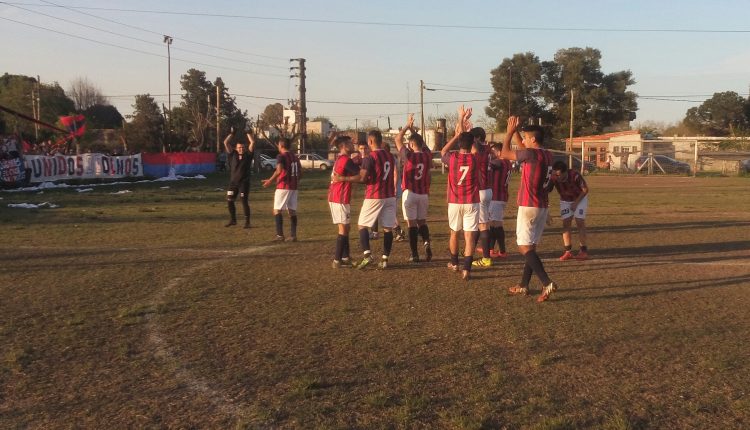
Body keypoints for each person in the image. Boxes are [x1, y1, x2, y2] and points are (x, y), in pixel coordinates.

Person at [500, 116, 559, 302]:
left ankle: (546, 282)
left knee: (523, 247)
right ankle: (524, 285)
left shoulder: (531, 155)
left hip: (529, 205)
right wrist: (517, 130)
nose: (523, 140)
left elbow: (504, 153)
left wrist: (509, 133)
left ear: (533, 139)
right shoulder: (547, 154)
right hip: (541, 206)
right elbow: (525, 150)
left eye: (525, 137)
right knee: (531, 248)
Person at [334, 129, 397, 269]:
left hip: (375, 194)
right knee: (387, 228)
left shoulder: (370, 157)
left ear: (371, 141)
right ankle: (385, 259)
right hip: (390, 196)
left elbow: (362, 178)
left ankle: (367, 255)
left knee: (362, 225)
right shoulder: (390, 156)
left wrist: (342, 178)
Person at [441, 106, 479, 281]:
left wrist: (459, 126)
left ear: (458, 143)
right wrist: (465, 128)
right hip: (471, 201)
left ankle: (454, 263)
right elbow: (472, 147)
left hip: (455, 201)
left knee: (454, 233)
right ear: (472, 144)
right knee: (469, 236)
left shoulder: (453, 159)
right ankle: (466, 270)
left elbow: (443, 152)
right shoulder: (475, 159)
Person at [394, 114, 433, 263]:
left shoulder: (408, 155)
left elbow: (397, 139)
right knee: (422, 222)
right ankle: (427, 243)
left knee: (411, 224)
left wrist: (407, 127)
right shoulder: (427, 155)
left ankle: (414, 254)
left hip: (410, 193)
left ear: (410, 145)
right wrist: (415, 133)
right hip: (423, 194)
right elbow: (423, 145)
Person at [328, 135, 360, 268]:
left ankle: (345, 257)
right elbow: (360, 175)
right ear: (344, 146)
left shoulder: (342, 159)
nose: (352, 144)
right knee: (343, 228)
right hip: (339, 198)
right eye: (349, 143)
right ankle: (337, 260)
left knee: (346, 227)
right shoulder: (346, 160)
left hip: (339, 197)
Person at [548, 160, 589, 261]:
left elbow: (585, 190)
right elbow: (547, 190)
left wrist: (576, 203)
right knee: (566, 224)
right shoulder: (553, 178)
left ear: (565, 172)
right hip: (565, 201)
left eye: (558, 175)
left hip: (580, 199)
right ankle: (568, 251)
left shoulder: (575, 175)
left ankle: (583, 251)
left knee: (580, 222)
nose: (556, 177)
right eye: (555, 174)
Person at [262, 138, 302, 241]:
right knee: (292, 211)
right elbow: (301, 172)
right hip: (294, 187)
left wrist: (270, 180)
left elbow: (279, 170)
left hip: (283, 186)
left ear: (281, 145)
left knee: (277, 210)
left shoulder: (281, 156)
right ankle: (293, 235)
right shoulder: (295, 157)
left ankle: (280, 235)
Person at [470, 126, 494, 268]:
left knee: (483, 225)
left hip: (481, 189)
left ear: (477, 138)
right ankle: (471, 250)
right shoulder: (488, 148)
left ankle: (486, 258)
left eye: (473, 138)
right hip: (487, 189)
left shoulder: (480, 150)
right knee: (481, 224)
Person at [223, 128, 256, 228]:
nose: (241, 149)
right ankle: (233, 220)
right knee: (229, 200)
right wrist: (232, 133)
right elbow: (225, 142)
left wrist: (248, 133)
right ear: (236, 148)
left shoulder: (248, 155)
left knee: (244, 201)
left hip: (244, 183)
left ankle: (247, 222)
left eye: (242, 147)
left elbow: (252, 142)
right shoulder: (232, 154)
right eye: (239, 147)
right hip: (233, 183)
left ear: (245, 148)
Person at [487, 143, 513, 258]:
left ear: (499, 152)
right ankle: (490, 249)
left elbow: (486, 165)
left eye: (493, 152)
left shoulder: (498, 162)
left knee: (497, 225)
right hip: (501, 196)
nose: (491, 154)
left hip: (497, 197)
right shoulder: (507, 163)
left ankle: (502, 251)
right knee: (493, 224)